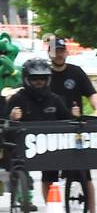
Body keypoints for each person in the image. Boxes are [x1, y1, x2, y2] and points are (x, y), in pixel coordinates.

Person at [48, 37, 97, 213]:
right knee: (49, 172)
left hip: (75, 126)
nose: (59, 54)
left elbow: (92, 94)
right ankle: (52, 212)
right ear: (50, 52)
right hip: (50, 129)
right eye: (55, 50)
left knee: (84, 170)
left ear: (66, 52)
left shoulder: (76, 72)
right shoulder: (43, 74)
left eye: (62, 50)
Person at [4, 58, 71, 204]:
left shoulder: (54, 99)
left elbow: (68, 120)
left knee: (51, 176)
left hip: (50, 147)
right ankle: (22, 191)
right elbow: (5, 127)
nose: (39, 82)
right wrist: (12, 118)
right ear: (27, 79)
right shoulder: (17, 99)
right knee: (17, 162)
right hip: (24, 147)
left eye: (42, 78)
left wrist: (75, 116)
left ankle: (52, 208)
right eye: (34, 78)